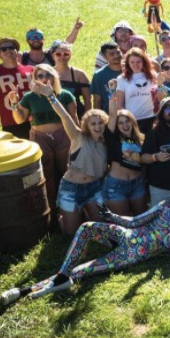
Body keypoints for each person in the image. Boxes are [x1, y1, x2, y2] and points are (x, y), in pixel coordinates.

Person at [13, 181, 170, 301]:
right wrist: (112, 217)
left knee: (81, 270)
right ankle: (60, 276)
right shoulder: (165, 206)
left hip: (137, 252)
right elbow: (135, 221)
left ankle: (31, 289)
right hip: (129, 235)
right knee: (87, 227)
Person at [43, 87, 109, 235]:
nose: (97, 126)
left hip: (94, 188)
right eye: (93, 124)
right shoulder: (78, 137)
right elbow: (65, 116)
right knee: (70, 233)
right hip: (72, 188)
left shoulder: (107, 143)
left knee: (103, 229)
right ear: (87, 125)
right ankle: (63, 217)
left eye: (100, 123)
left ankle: (84, 212)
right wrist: (50, 96)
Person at [14, 64, 78, 206]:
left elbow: (74, 120)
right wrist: (14, 103)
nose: (44, 78)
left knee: (67, 170)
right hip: (40, 137)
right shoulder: (30, 97)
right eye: (40, 76)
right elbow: (19, 120)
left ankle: (71, 203)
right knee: (46, 174)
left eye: (48, 75)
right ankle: (51, 206)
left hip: (63, 134)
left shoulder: (65, 95)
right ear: (35, 79)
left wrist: (78, 140)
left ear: (54, 76)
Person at [0, 37, 35, 139]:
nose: (8, 51)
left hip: (36, 119)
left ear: (16, 51)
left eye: (11, 47)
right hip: (11, 122)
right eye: (3, 49)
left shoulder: (31, 70)